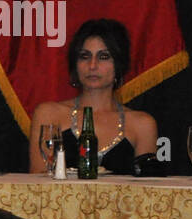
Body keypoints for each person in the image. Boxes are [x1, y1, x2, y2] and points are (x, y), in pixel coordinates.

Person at [27, 19, 158, 174]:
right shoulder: (49, 114)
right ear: (75, 64)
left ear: (119, 64)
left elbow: (146, 191)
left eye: (103, 57)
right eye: (85, 56)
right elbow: (37, 184)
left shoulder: (142, 124)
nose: (92, 65)